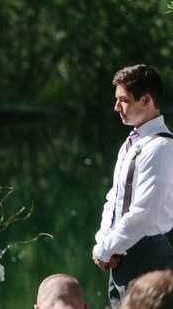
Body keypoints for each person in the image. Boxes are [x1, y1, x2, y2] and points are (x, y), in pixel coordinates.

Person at [93, 64, 173, 307]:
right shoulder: (132, 142)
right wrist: (103, 241)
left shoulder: (161, 148)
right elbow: (114, 198)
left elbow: (144, 214)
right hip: (122, 250)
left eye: (123, 100)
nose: (116, 107)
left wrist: (107, 249)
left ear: (147, 99)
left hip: (148, 254)